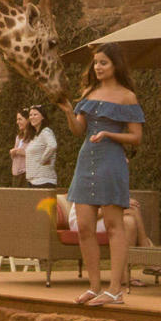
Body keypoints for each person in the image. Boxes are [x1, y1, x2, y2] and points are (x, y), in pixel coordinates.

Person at [68, 44, 144, 307]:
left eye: (103, 63)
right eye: (96, 63)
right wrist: (68, 111)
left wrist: (110, 134)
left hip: (111, 162)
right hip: (85, 159)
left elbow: (136, 137)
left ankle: (114, 290)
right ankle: (93, 286)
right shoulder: (88, 93)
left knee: (114, 226)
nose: (98, 67)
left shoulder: (127, 97)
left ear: (115, 66)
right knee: (85, 227)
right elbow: (79, 131)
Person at [22, 105, 59, 188]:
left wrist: (43, 159)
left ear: (43, 117)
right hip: (33, 181)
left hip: (43, 180)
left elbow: (52, 145)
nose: (32, 117)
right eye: (30, 115)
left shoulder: (46, 131)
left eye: (35, 114)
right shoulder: (35, 136)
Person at [9, 109, 30, 187]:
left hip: (26, 174)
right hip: (16, 174)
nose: (17, 122)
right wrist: (12, 153)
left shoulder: (33, 137)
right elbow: (15, 157)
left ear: (27, 120)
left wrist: (18, 151)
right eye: (17, 119)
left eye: (20, 119)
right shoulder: (18, 137)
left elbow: (33, 153)